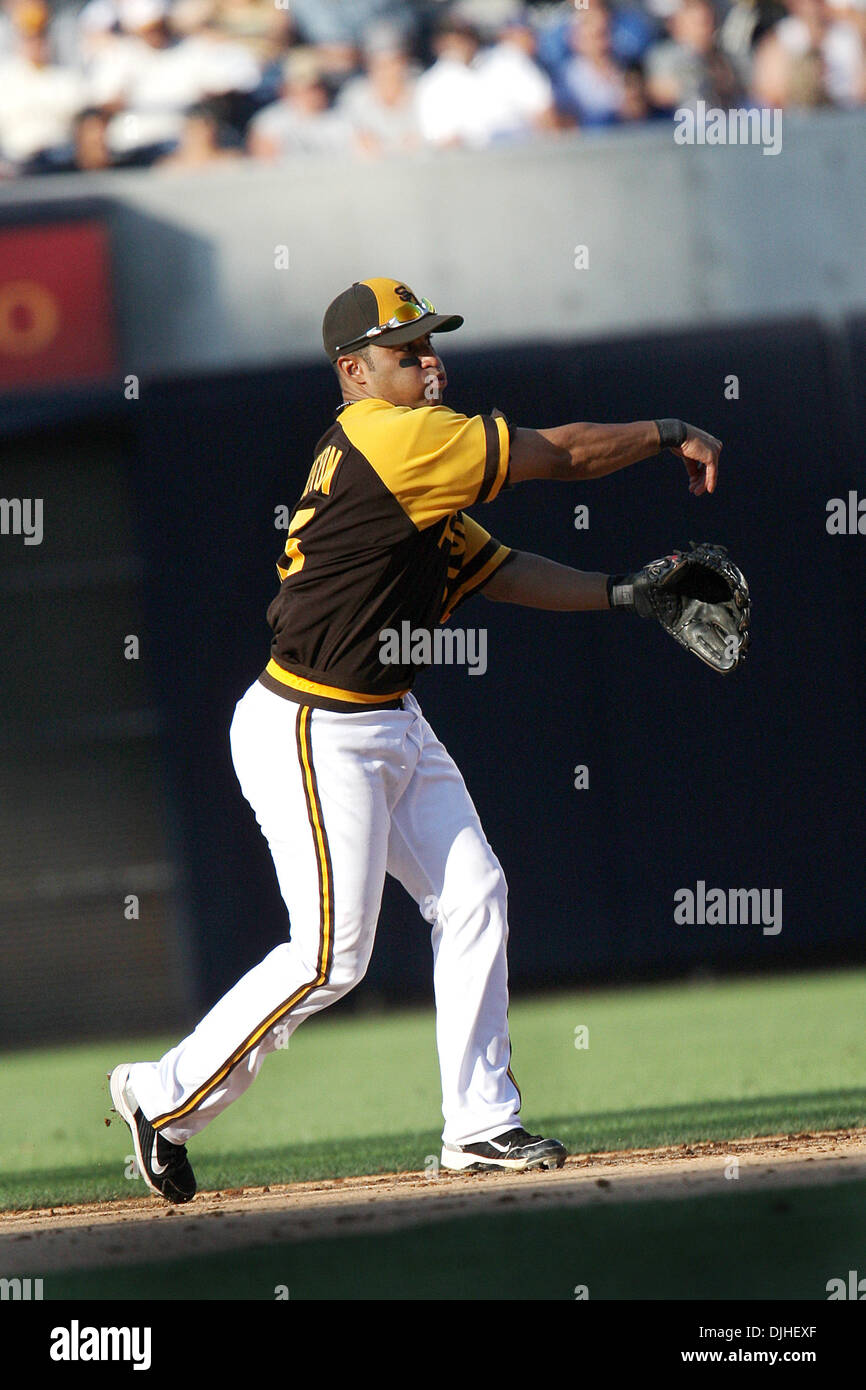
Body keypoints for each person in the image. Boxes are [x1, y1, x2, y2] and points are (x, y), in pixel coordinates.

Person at [109, 276, 721, 1203]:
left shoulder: (411, 461)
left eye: (432, 343)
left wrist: (624, 592)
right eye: (408, 350)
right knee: (329, 956)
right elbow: (558, 455)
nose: (429, 360)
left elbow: (500, 570)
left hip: (386, 714)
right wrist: (671, 431)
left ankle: (479, 1125)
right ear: (355, 371)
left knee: (473, 891)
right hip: (312, 724)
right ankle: (161, 1095)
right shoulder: (391, 440)